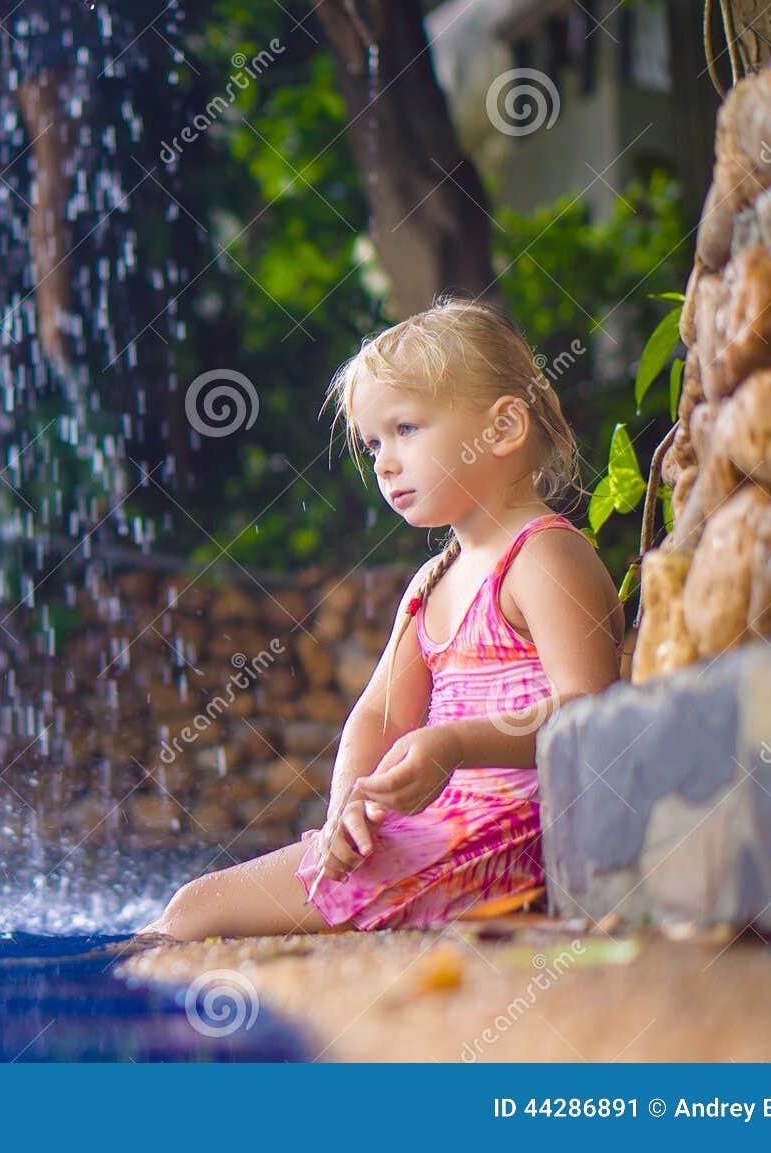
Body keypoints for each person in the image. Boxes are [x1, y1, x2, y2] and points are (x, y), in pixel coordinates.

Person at [139, 297, 626, 941]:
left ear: (504, 428)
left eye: (406, 430)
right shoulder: (432, 582)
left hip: (513, 837)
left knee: (198, 916)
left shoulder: (543, 557)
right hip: (444, 831)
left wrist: (455, 744)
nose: (384, 462)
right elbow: (381, 716)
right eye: (373, 443)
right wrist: (347, 807)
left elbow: (588, 713)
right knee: (190, 906)